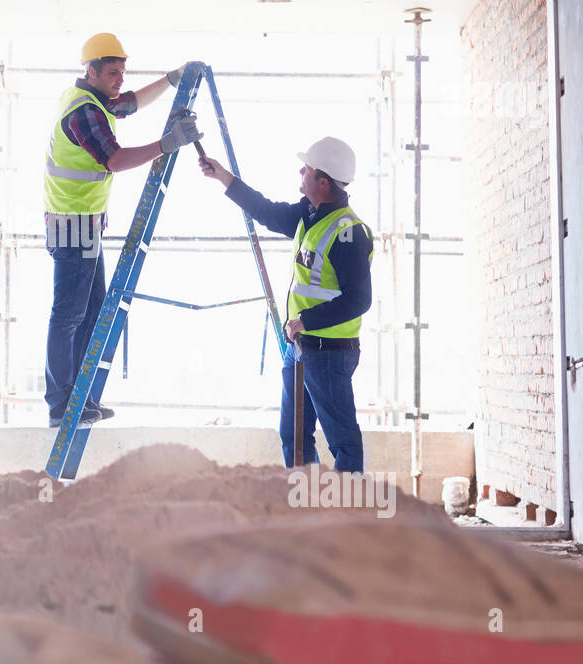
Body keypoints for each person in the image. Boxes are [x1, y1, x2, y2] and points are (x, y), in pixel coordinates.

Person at [43, 33, 200, 427]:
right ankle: (61, 404)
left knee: (92, 311)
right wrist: (166, 145)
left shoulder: (91, 99)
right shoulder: (83, 111)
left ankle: (78, 400)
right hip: (73, 225)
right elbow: (112, 160)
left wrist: (170, 80)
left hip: (82, 224)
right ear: (91, 70)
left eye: (123, 71)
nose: (119, 78)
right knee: (69, 316)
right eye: (113, 72)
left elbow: (127, 104)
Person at [199, 136, 373, 471]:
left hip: (330, 351)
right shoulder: (310, 214)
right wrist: (224, 178)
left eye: (306, 169)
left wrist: (306, 320)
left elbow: (359, 299)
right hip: (301, 348)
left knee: (342, 439)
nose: (300, 172)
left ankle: (349, 517)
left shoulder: (349, 232)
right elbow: (268, 212)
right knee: (293, 436)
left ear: (322, 182)